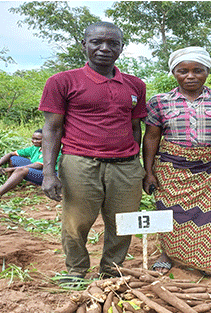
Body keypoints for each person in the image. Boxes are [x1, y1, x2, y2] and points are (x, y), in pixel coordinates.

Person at [39, 21, 147, 281]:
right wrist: (48, 173)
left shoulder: (135, 85)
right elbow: (51, 129)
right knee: (76, 222)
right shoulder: (62, 81)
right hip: (80, 162)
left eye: (113, 43)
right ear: (84, 44)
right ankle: (76, 271)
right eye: (97, 42)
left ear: (121, 48)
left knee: (123, 222)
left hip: (126, 165)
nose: (104, 48)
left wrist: (139, 164)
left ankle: (111, 272)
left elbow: (135, 128)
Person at [142, 46, 211, 276]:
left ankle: (210, 257)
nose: (190, 76)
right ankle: (168, 253)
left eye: (197, 70)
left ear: (207, 71)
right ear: (174, 73)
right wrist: (148, 171)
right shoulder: (160, 102)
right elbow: (151, 137)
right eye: (183, 71)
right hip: (172, 168)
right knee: (172, 213)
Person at [0, 129, 55, 201]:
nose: (34, 141)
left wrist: (12, 169)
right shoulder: (35, 148)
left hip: (49, 177)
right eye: (33, 138)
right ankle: (9, 184)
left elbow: (39, 165)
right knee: (13, 158)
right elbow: (11, 154)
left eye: (38, 139)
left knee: (21, 170)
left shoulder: (53, 150)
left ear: (46, 139)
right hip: (39, 172)